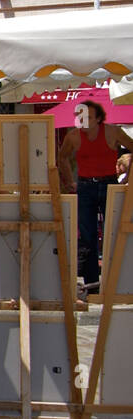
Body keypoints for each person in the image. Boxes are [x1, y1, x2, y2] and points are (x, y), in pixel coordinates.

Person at [59, 100, 129, 288]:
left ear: (98, 118)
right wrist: (69, 181)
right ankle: (92, 284)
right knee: (88, 236)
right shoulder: (74, 136)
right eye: (81, 116)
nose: (84, 120)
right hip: (85, 185)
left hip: (109, 183)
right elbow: (62, 156)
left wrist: (127, 178)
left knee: (113, 232)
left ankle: (117, 281)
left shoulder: (112, 132)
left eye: (89, 116)